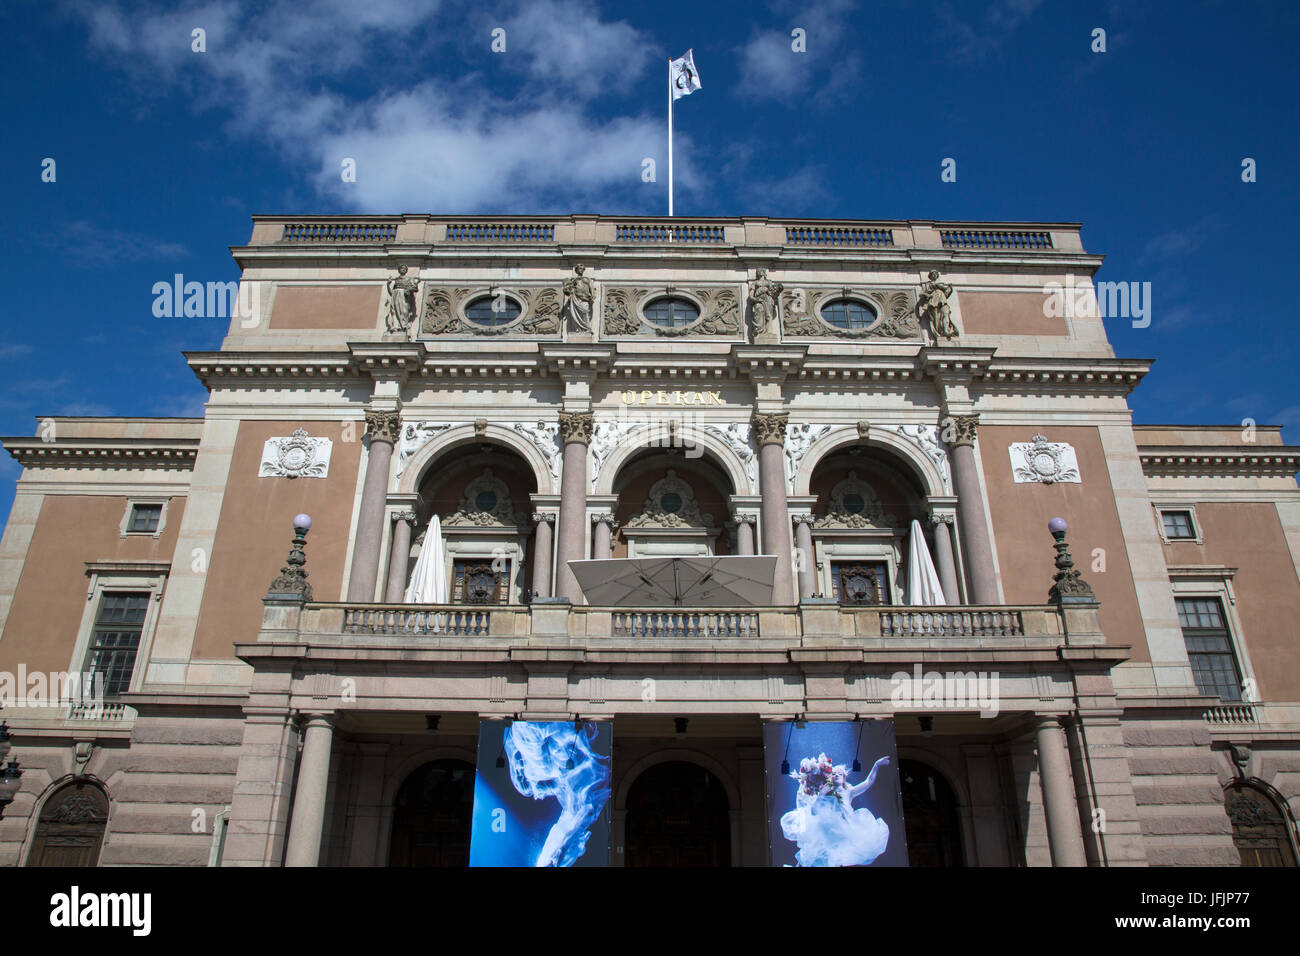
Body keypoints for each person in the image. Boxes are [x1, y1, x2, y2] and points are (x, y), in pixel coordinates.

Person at [780, 752, 891, 866]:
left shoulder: (849, 791)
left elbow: (868, 782)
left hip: (846, 829)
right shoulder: (826, 792)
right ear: (830, 778)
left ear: (844, 779)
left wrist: (877, 765)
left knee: (836, 856)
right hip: (829, 830)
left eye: (840, 774)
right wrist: (821, 795)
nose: (837, 775)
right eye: (834, 774)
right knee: (812, 852)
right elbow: (813, 811)